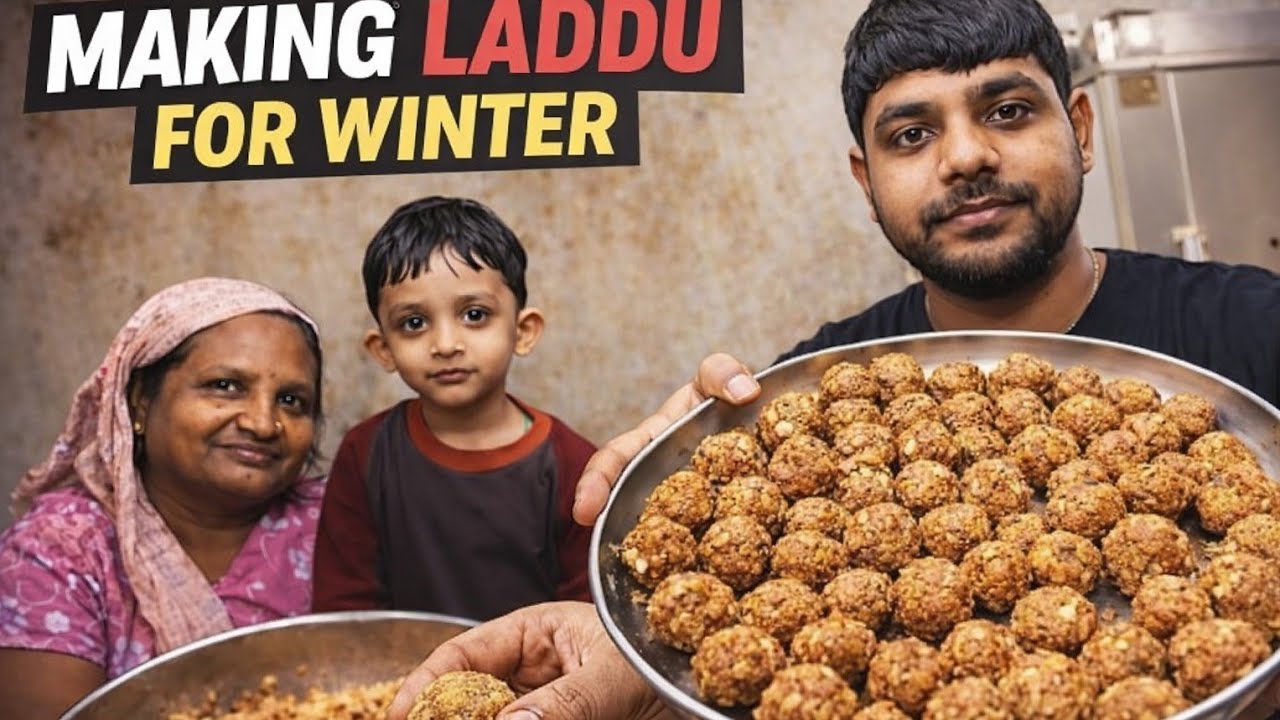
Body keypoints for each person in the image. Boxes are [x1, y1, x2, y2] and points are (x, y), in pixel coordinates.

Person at [386, 1, 1280, 718]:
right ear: (867, 182)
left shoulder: (1253, 328)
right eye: (911, 134)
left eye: (1008, 111)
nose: (966, 155)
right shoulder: (805, 395)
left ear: (1081, 127)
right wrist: (639, 657)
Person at [0, 278, 326, 719]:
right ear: (138, 402)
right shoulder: (59, 549)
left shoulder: (336, 522)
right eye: (226, 385)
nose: (263, 423)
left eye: (291, 400)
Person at [311, 196, 595, 621]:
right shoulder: (366, 453)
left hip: (540, 682)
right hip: (402, 681)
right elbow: (344, 612)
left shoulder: (574, 466)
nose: (445, 345)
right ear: (383, 349)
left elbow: (588, 616)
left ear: (523, 331)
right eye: (413, 323)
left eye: (475, 315)